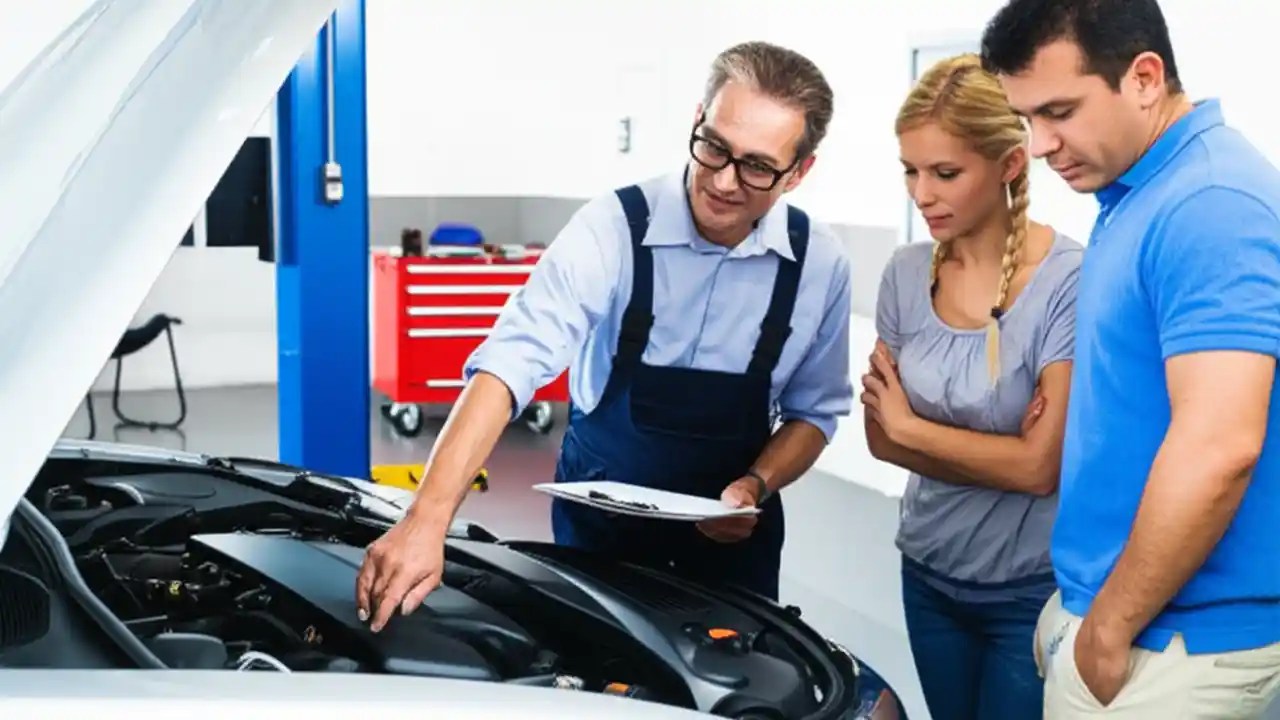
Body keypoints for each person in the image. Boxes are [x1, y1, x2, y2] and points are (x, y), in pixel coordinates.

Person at [355, 41, 854, 632]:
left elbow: (813, 413)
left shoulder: (818, 264)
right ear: (697, 118)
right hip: (600, 526)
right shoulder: (613, 227)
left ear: (799, 172)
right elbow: (512, 363)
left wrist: (755, 484)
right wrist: (426, 518)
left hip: (732, 540)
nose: (722, 180)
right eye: (714, 146)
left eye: (756, 166)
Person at [979, 0, 1280, 716]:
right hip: (1125, 617)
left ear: (1145, 77)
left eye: (1059, 111)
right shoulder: (1137, 191)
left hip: (1179, 642)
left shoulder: (1210, 202)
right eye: (1027, 118)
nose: (1042, 144)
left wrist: (1108, 630)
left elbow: (1220, 448)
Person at [861, 51, 1082, 720]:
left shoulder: (1069, 280)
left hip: (1030, 592)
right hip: (926, 574)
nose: (922, 193)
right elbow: (878, 438)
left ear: (1010, 164)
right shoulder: (904, 274)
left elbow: (1041, 467)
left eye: (945, 173)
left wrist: (912, 428)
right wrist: (998, 453)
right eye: (911, 171)